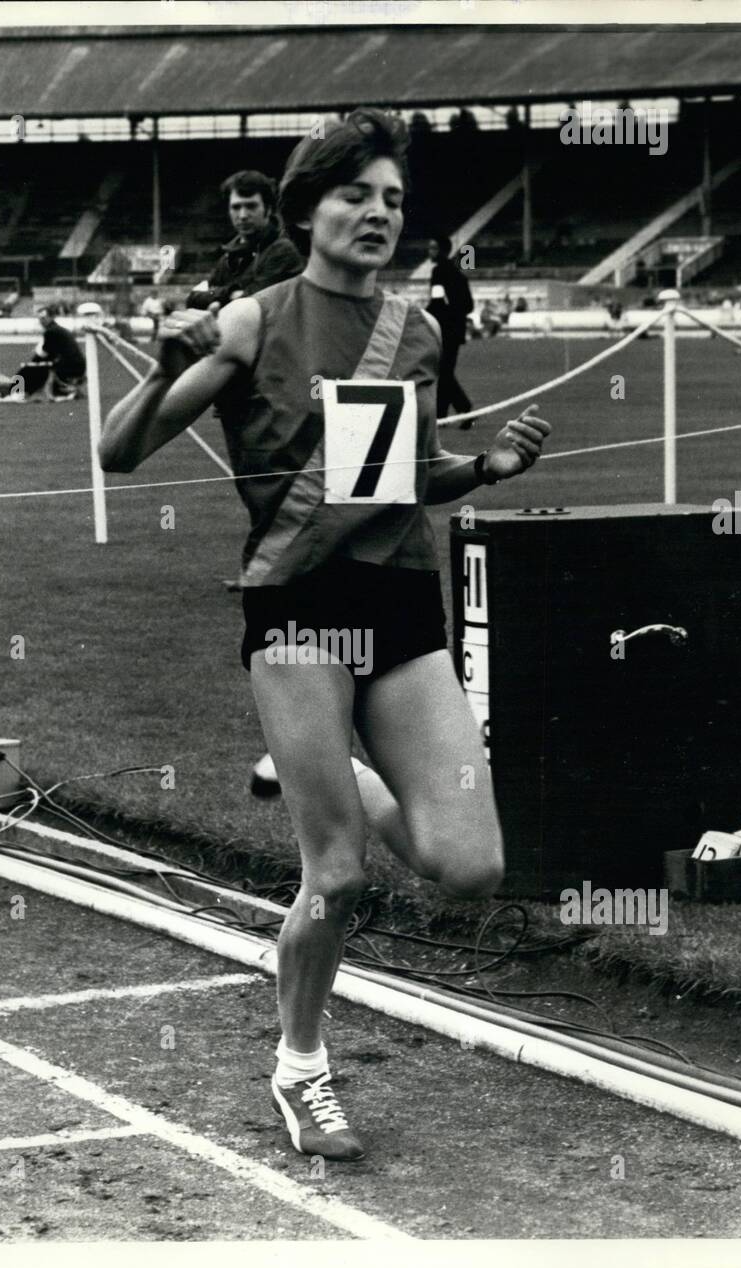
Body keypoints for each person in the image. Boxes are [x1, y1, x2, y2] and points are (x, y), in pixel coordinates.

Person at [99, 109, 550, 1163]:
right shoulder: (255, 322)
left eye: (394, 199)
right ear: (309, 208)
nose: (378, 214)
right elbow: (122, 453)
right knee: (337, 873)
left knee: (471, 861)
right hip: (298, 609)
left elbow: (405, 473)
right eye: (357, 194)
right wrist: (161, 369)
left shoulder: (421, 332)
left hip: (399, 603)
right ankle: (301, 1067)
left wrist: (484, 471)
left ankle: (326, 759)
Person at [185, 170, 303, 311]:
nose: (242, 215)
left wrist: (216, 295)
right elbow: (193, 299)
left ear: (269, 209)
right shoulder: (228, 256)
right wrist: (229, 293)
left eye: (251, 206)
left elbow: (250, 305)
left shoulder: (282, 250)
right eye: (236, 207)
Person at [426, 233, 474, 426]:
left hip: (444, 330)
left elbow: (436, 302)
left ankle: (463, 409)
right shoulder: (459, 273)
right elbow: (469, 305)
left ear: (443, 250)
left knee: (443, 371)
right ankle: (443, 415)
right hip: (456, 330)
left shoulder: (438, 272)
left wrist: (422, 314)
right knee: (445, 371)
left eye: (433, 248)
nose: (430, 251)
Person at [0, 305, 86, 401]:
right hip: (76, 365)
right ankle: (23, 390)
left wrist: (31, 364)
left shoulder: (50, 332)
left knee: (32, 369)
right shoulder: (58, 329)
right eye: (40, 318)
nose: (41, 321)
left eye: (43, 318)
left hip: (68, 366)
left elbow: (44, 354)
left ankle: (18, 391)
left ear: (52, 317)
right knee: (36, 367)